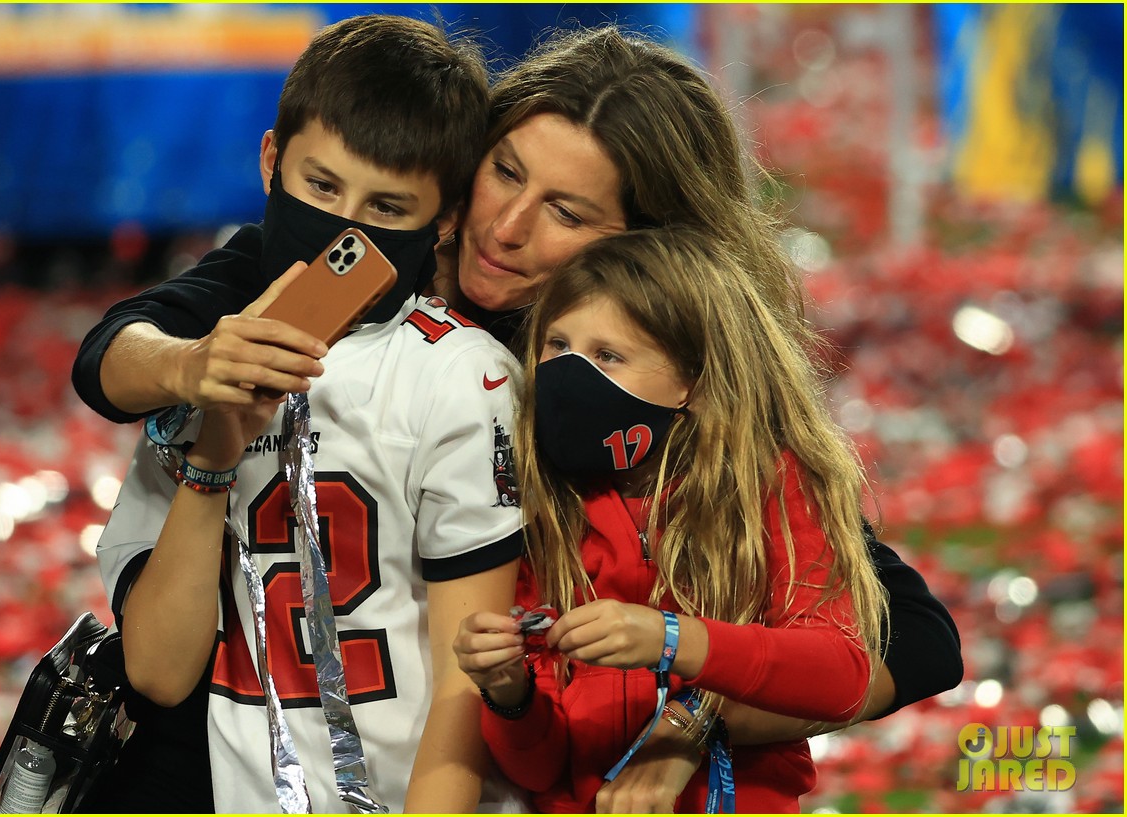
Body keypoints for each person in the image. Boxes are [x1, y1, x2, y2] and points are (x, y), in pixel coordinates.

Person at [72, 21, 962, 811]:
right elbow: (114, 353)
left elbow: (911, 637)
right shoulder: (355, 256)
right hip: (244, 730)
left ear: (640, 250)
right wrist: (189, 365)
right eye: (504, 173)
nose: (506, 226)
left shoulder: (636, 374)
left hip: (472, 761)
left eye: (566, 212)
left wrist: (689, 718)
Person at [84, 15, 524, 812]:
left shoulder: (463, 373)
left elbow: (468, 668)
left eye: (388, 207)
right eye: (320, 187)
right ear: (271, 160)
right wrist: (211, 441)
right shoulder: (217, 341)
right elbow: (156, 667)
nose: (342, 227)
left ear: (445, 219)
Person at [454, 227, 886, 812]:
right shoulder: (542, 505)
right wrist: (507, 693)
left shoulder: (769, 484)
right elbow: (540, 765)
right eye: (557, 346)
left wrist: (672, 639)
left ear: (696, 382)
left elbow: (841, 675)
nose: (569, 375)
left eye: (608, 355)